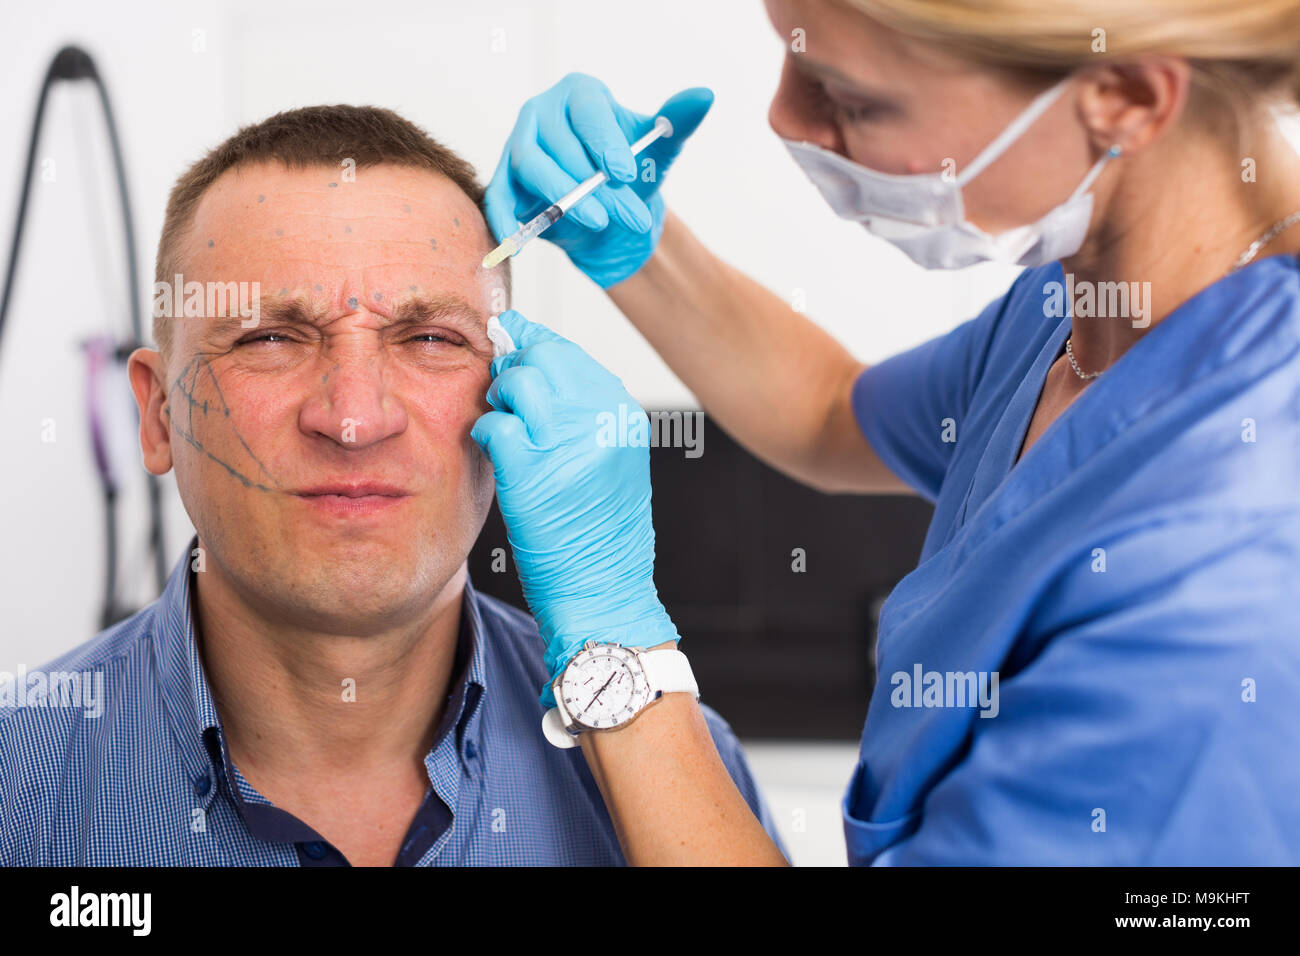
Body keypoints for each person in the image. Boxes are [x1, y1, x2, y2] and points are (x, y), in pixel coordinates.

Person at [472, 0, 1300, 864]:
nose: (784, 117)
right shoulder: (1078, 311)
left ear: (1126, 95)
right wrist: (638, 251)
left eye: (854, 98)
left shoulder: (1229, 568)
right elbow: (830, 410)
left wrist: (618, 646)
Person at [0, 105, 785, 867]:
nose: (353, 419)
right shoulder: (17, 784)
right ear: (159, 415)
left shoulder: (671, 765)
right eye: (271, 337)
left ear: (508, 385)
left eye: (431, 339)